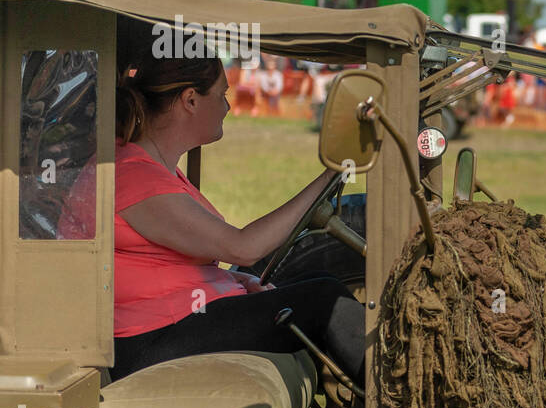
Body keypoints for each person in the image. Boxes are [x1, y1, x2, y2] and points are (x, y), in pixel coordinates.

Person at [110, 31, 363, 383]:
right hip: (148, 339)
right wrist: (333, 172)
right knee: (322, 297)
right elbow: (244, 246)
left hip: (169, 325)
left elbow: (158, 262)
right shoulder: (134, 176)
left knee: (313, 284)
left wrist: (233, 278)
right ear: (190, 100)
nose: (228, 107)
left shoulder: (149, 168)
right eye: (221, 95)